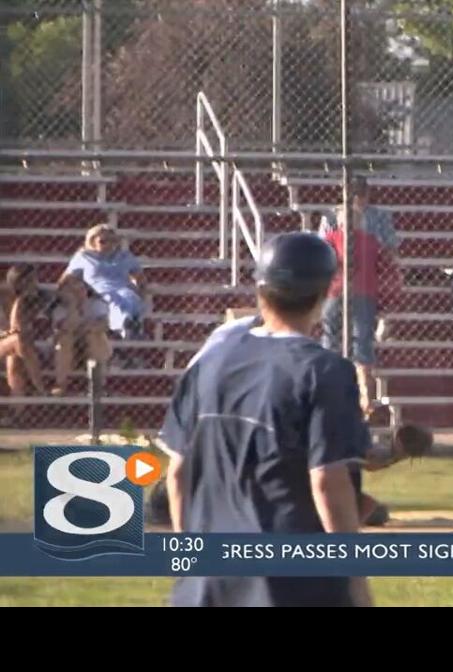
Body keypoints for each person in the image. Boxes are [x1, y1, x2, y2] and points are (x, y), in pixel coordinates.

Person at [157, 232, 373, 607]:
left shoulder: (209, 363)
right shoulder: (324, 370)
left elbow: (176, 473)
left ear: (260, 289)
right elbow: (327, 482)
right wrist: (356, 582)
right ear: (325, 294)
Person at [320, 176, 401, 415]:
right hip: (350, 291)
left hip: (350, 291)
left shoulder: (361, 238)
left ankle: (359, 392)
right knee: (353, 335)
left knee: (348, 335)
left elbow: (388, 258)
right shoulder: (348, 236)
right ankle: (360, 393)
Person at [63, 224, 147, 340]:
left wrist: (139, 288)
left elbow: (139, 276)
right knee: (114, 300)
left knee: (131, 297)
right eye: (103, 241)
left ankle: (131, 323)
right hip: (98, 289)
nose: (109, 245)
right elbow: (67, 278)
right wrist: (78, 288)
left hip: (122, 287)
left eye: (113, 241)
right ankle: (125, 324)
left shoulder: (124, 256)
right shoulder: (84, 257)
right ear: (92, 241)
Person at [49, 270, 111, 396]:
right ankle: (61, 384)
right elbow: (67, 328)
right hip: (71, 352)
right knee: (65, 339)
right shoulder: (59, 310)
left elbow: (104, 325)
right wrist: (72, 305)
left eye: (79, 284)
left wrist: (84, 329)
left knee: (94, 336)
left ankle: (98, 385)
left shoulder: (96, 304)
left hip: (94, 348)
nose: (77, 289)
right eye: (71, 287)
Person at [1, 265, 50, 422]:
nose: (34, 283)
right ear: (16, 281)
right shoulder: (3, 297)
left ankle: (18, 414)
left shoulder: (37, 298)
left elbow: (19, 328)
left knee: (14, 360)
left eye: (34, 279)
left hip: (18, 345)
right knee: (18, 340)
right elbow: (15, 329)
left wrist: (21, 301)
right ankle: (41, 389)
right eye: (28, 280)